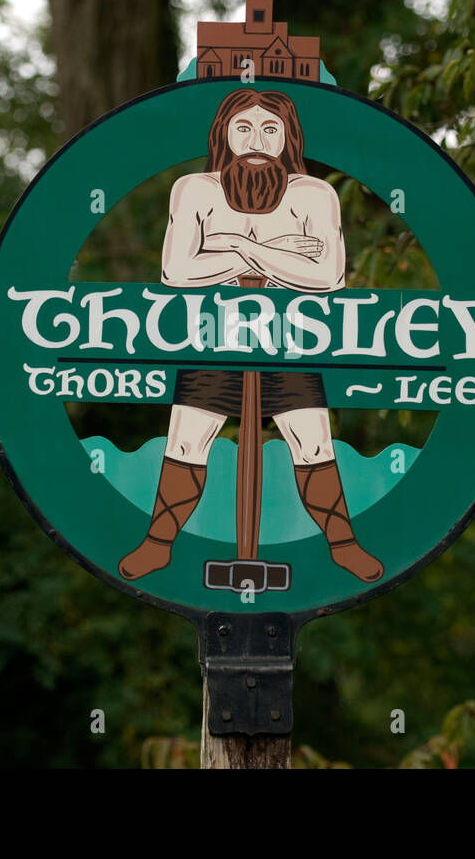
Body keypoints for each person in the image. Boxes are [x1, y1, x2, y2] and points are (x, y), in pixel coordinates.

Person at [117, 88, 384, 584]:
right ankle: (158, 544)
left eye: (269, 130)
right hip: (213, 336)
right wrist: (277, 249)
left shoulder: (313, 195)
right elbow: (178, 271)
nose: (256, 140)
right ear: (224, 134)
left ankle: (343, 545)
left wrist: (232, 243)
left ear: (288, 138)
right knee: (186, 439)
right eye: (243, 128)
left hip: (291, 338)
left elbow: (327, 276)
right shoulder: (194, 190)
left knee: (313, 444)